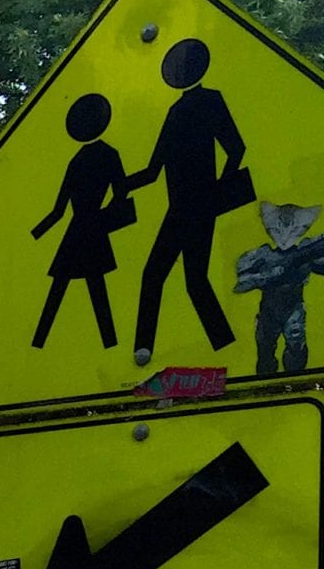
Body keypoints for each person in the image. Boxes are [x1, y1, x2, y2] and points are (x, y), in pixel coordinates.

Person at [128, 38, 252, 362]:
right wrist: (121, 186)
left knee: (187, 278)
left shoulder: (210, 101)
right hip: (179, 208)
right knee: (168, 276)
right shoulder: (175, 111)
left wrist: (218, 192)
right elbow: (154, 169)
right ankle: (145, 349)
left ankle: (222, 347)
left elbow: (236, 148)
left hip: (197, 207)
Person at [29, 93, 136, 349]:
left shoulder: (80, 160)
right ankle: (106, 343)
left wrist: (38, 232)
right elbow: (119, 192)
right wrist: (34, 234)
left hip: (81, 229)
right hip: (86, 229)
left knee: (79, 286)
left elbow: (59, 210)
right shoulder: (98, 156)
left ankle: (106, 343)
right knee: (84, 285)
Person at [234, 200, 324, 376]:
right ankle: (265, 384)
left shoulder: (306, 252)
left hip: (294, 308)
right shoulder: (264, 254)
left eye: (293, 230)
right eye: (278, 230)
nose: (284, 237)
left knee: (296, 347)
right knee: (265, 350)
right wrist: (271, 274)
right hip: (268, 311)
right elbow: (241, 283)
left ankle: (295, 383)